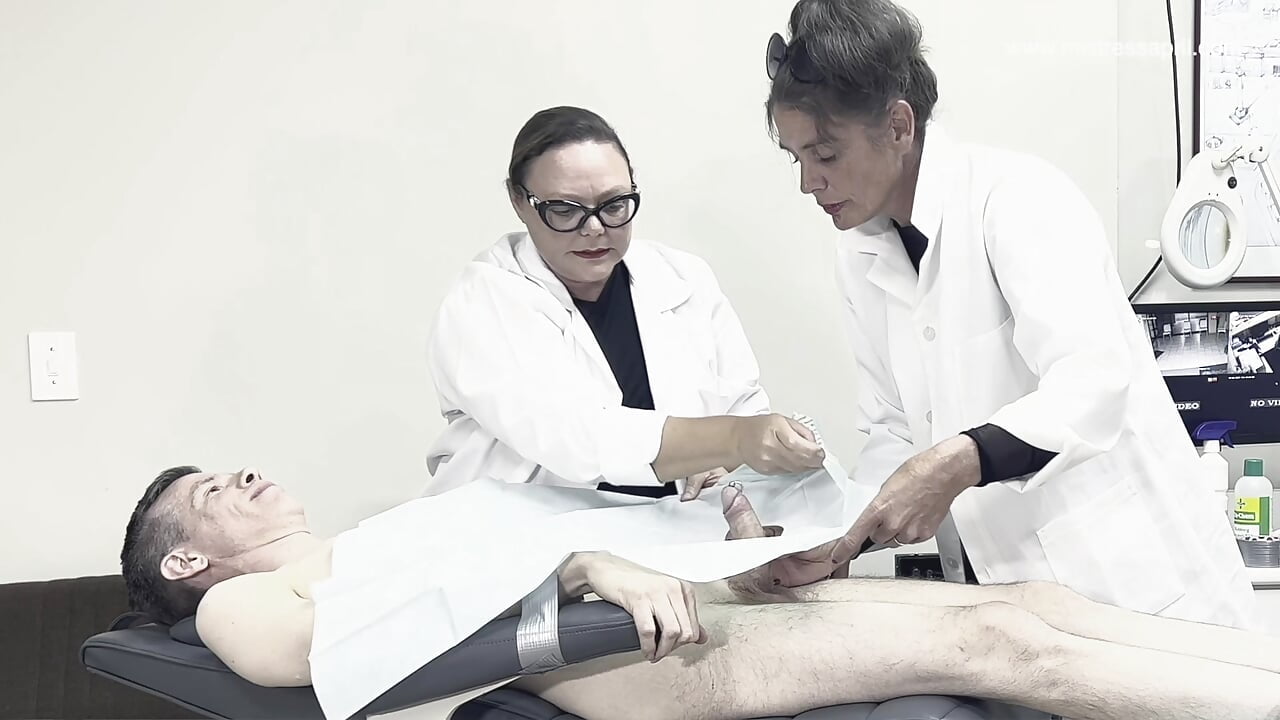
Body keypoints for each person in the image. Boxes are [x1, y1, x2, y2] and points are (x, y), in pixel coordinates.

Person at [760, 0, 1255, 627]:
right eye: (797, 159)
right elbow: (894, 430)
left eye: (826, 155)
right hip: (1007, 601)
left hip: (1135, 583)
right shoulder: (859, 252)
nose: (809, 183)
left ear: (899, 125)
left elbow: (1093, 384)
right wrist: (842, 535)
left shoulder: (1015, 198)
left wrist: (957, 461)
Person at [119, 465, 1280, 720]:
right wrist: (583, 568)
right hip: (612, 652)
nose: (250, 477)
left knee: (1024, 604)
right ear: (184, 562)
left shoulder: (374, 536)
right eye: (217, 489)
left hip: (658, 598)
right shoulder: (230, 607)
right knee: (997, 649)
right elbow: (288, 662)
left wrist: (699, 541)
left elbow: (515, 540)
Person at [424, 105, 823, 500]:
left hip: (670, 526)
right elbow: (576, 436)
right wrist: (731, 440)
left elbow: (743, 408)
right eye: (564, 210)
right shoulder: (483, 301)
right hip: (519, 528)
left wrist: (729, 461)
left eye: (614, 205)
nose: (594, 228)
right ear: (518, 201)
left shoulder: (683, 279)